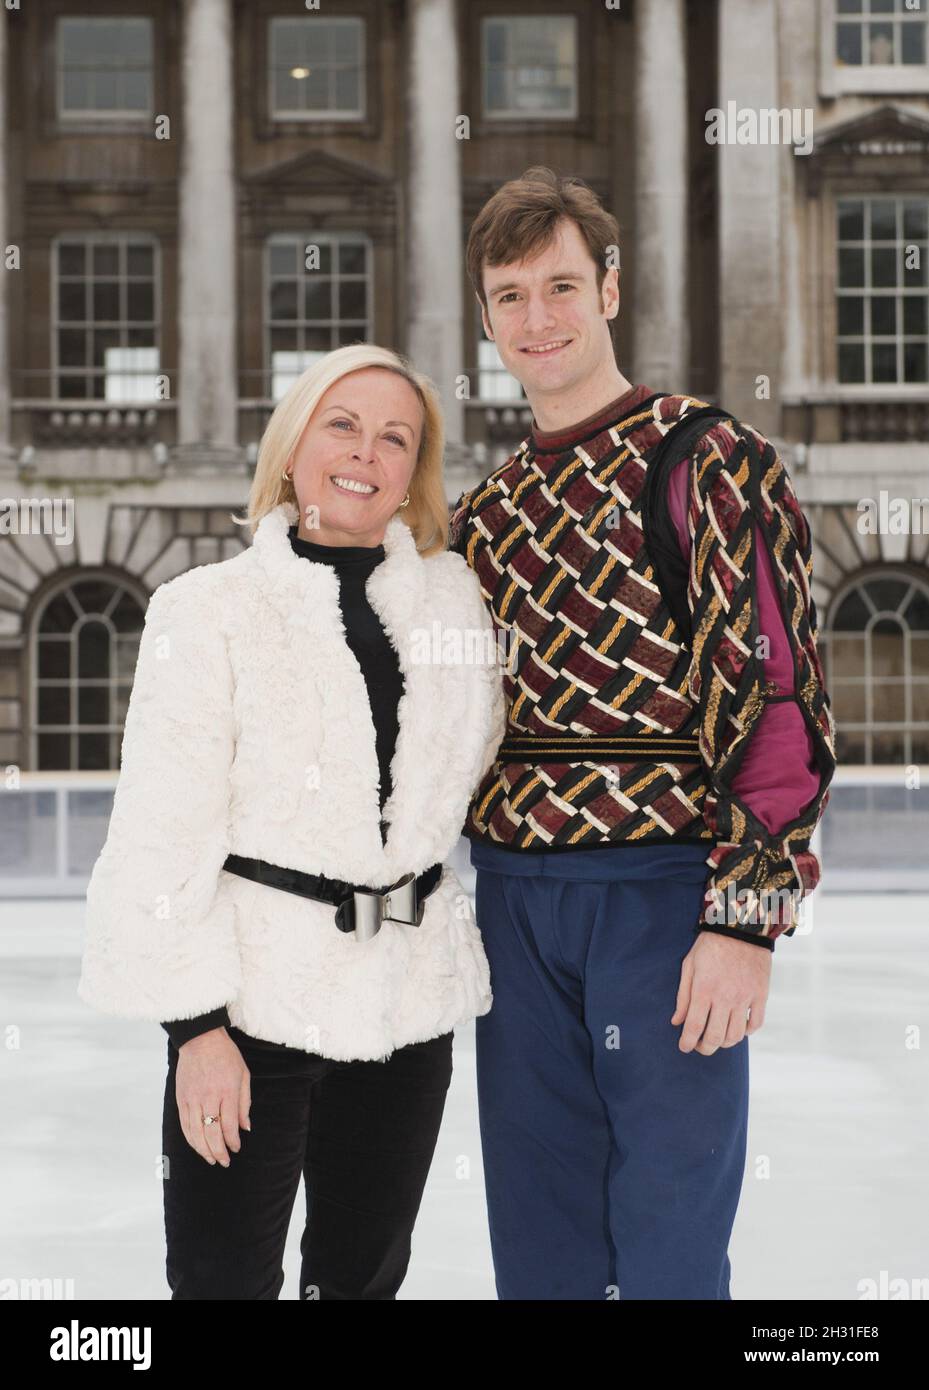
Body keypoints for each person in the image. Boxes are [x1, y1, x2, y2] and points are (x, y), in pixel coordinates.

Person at [448, 167, 837, 1300]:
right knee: (540, 1243)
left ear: (609, 289)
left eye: (560, 284)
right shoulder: (484, 513)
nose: (537, 318)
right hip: (513, 902)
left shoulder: (705, 461)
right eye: (509, 295)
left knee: (667, 1241)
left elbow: (778, 701)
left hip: (662, 897)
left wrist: (748, 919)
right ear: (485, 318)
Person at [78, 343, 506, 1300]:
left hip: (405, 1012)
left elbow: (466, 773)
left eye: (395, 437)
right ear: (293, 446)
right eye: (342, 424)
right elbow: (160, 831)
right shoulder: (206, 610)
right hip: (251, 1014)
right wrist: (194, 1031)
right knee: (221, 1281)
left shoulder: (454, 603)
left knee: (358, 1283)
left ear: (411, 474)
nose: (366, 452)